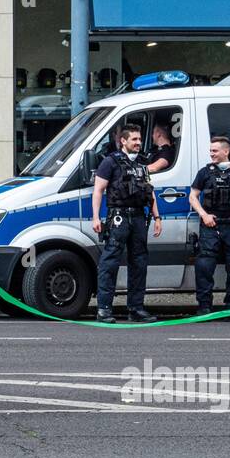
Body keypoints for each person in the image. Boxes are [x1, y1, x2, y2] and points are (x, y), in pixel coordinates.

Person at [91, 124, 162, 322]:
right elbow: (98, 190)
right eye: (134, 140)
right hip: (119, 217)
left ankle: (136, 308)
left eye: (139, 140)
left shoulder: (142, 162)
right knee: (110, 263)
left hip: (139, 217)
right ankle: (104, 309)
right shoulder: (110, 162)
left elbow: (149, 190)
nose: (138, 143)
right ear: (123, 141)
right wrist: (96, 217)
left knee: (139, 263)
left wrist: (157, 217)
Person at [190, 135, 230, 320]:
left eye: (215, 151)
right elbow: (193, 196)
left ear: (226, 151)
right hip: (211, 224)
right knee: (204, 265)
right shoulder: (205, 172)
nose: (212, 154)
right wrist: (204, 215)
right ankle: (204, 308)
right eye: (211, 151)